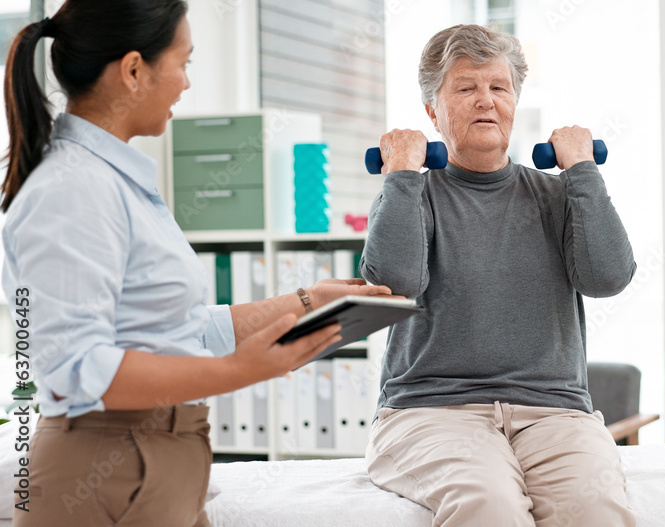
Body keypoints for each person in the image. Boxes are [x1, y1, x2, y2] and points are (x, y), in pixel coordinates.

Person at [1, 2, 393, 525]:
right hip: (105, 478)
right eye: (183, 62)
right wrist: (235, 372)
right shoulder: (73, 190)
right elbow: (74, 370)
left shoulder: (114, 181)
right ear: (134, 70)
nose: (186, 82)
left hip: (159, 469)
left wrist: (305, 302)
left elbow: (180, 330)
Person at [360, 24, 638, 527]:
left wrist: (582, 173)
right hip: (430, 412)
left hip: (555, 413)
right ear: (432, 111)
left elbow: (608, 278)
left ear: (514, 101)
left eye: (498, 87)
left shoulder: (558, 195)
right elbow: (395, 284)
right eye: (465, 88)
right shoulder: (410, 197)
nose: (485, 101)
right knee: (490, 506)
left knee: (595, 509)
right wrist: (401, 173)